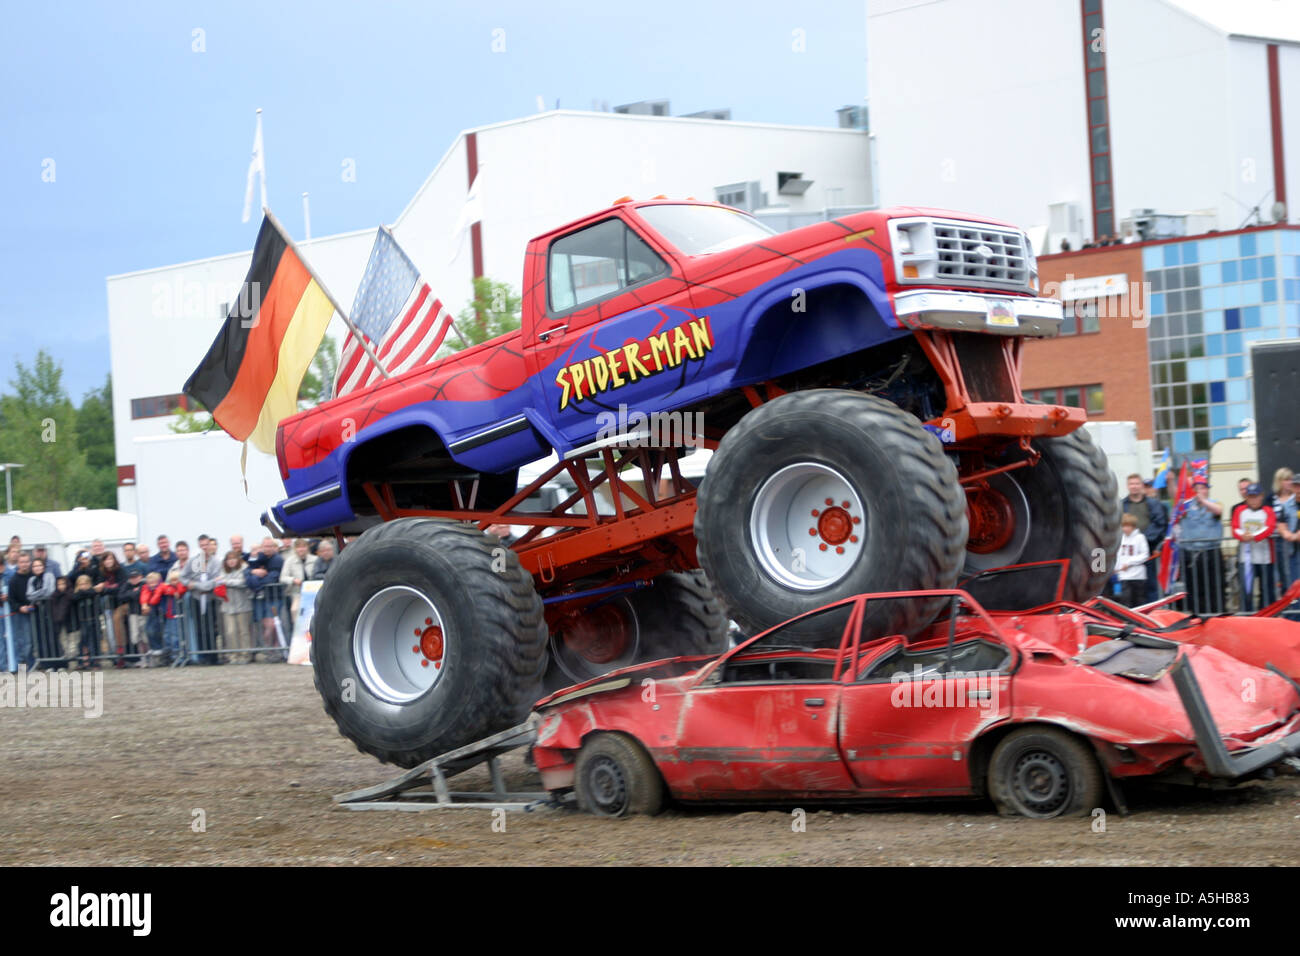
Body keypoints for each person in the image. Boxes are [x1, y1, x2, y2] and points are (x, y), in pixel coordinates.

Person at [1178, 477, 1224, 616]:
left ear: (1207, 490)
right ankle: (1197, 615)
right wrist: (1172, 481)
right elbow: (1177, 499)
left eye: (1203, 488)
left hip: (1211, 552)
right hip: (1191, 553)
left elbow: (1218, 511)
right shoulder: (1186, 505)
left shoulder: (1215, 503)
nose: (1200, 491)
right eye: (1196, 488)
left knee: (1214, 587)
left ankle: (1216, 615)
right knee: (1194, 588)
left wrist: (1202, 500)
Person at [1233, 483, 1277, 612]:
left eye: (1255, 496)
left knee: (1267, 591)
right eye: (1250, 496)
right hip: (1246, 559)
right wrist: (1243, 536)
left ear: (1261, 496)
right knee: (1246, 591)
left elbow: (1269, 528)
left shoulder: (1268, 511)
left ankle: (1267, 617)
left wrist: (1252, 536)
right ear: (1246, 497)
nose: (1253, 499)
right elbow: (1235, 529)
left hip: (1265, 558)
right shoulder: (1239, 510)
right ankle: (1247, 616)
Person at [182, 536, 222, 665]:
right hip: (197, 598)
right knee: (199, 628)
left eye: (207, 545)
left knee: (211, 628)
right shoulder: (192, 562)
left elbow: (217, 580)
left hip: (210, 598)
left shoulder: (216, 562)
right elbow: (183, 577)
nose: (205, 548)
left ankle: (213, 656)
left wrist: (203, 586)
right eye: (202, 545)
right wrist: (192, 584)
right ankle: (202, 656)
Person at [246, 537, 284, 661]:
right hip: (262, 599)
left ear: (274, 547)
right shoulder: (258, 558)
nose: (267, 549)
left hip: (274, 597)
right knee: (265, 626)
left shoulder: (277, 559)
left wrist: (257, 580)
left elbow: (273, 578)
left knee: (272, 626)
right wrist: (254, 573)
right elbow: (246, 573)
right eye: (265, 546)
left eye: (270, 546)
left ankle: (275, 651)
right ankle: (270, 652)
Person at [218, 551, 253, 663]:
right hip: (227, 607)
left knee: (243, 632)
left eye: (233, 558)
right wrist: (224, 582)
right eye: (229, 559)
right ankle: (233, 655)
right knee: (230, 632)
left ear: (237, 559)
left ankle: (246, 655)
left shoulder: (244, 568)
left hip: (243, 605)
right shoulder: (222, 570)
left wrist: (226, 582)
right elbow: (218, 582)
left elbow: (243, 582)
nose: (231, 561)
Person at [25, 557, 58, 665]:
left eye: (39, 565)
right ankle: (46, 663)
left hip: (50, 610)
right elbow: (29, 595)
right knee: (41, 638)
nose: (37, 568)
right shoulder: (32, 580)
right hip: (38, 612)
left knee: (52, 636)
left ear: (43, 567)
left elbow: (49, 591)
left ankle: (58, 663)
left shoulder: (49, 576)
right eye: (34, 566)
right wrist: (40, 593)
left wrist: (36, 594)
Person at [5, 551, 34, 671]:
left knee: (34, 640)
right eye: (22, 562)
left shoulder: (34, 576)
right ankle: (25, 665)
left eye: (27, 562)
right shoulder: (13, 580)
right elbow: (11, 600)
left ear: (30, 562)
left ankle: (34, 664)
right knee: (24, 641)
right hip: (20, 614)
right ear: (18, 563)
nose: (25, 564)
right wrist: (20, 608)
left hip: (35, 612)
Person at [280, 538, 318, 624]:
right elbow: (283, 577)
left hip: (314, 591)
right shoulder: (289, 561)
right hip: (297, 593)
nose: (301, 549)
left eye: (303, 547)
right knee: (295, 610)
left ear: (307, 548)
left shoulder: (315, 559)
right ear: (295, 549)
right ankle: (298, 631)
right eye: (298, 547)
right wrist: (293, 580)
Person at [1115, 513, 1150, 607]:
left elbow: (1145, 554)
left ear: (1133, 526)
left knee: (1139, 601)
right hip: (1124, 576)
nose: (1125, 529)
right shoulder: (1120, 539)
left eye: (1127, 526)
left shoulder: (1140, 538)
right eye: (1123, 526)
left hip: (1138, 575)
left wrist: (1129, 563)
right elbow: (1118, 556)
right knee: (1125, 601)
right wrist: (1116, 568)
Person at [117, 569, 149, 666]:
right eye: (132, 578)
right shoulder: (127, 585)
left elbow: (140, 594)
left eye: (136, 577)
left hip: (143, 613)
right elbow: (120, 596)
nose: (134, 579)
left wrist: (131, 594)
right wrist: (133, 593)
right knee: (135, 637)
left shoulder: (144, 584)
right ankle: (142, 658)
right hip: (133, 613)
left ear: (140, 576)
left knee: (145, 636)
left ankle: (148, 657)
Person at [69, 574, 101, 669]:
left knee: (94, 641)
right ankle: (83, 661)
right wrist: (84, 592)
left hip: (93, 620)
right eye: (81, 584)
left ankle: (95, 661)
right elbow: (74, 597)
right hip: (81, 621)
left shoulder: (93, 593)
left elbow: (93, 593)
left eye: (85, 584)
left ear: (89, 584)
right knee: (83, 641)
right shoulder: (76, 595)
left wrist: (87, 592)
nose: (83, 586)